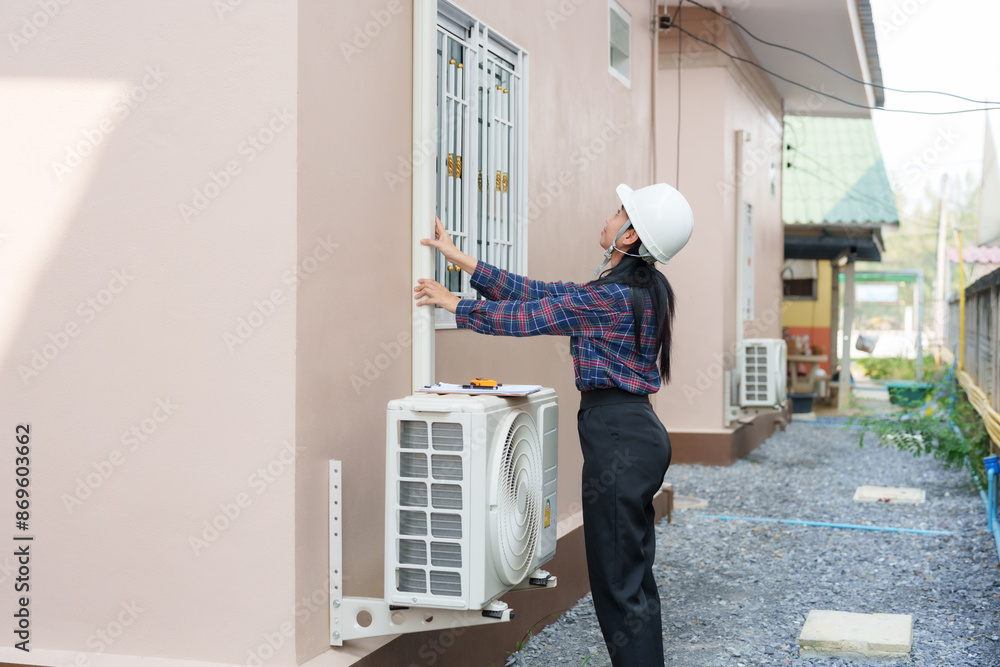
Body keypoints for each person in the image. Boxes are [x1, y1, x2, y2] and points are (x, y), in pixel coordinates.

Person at [413, 183, 694, 667]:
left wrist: (455, 305)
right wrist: (461, 260)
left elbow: (532, 316)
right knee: (631, 581)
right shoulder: (634, 290)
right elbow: (543, 294)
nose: (607, 219)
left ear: (628, 238)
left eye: (616, 214)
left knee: (617, 587)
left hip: (618, 436)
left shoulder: (612, 299)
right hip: (634, 431)